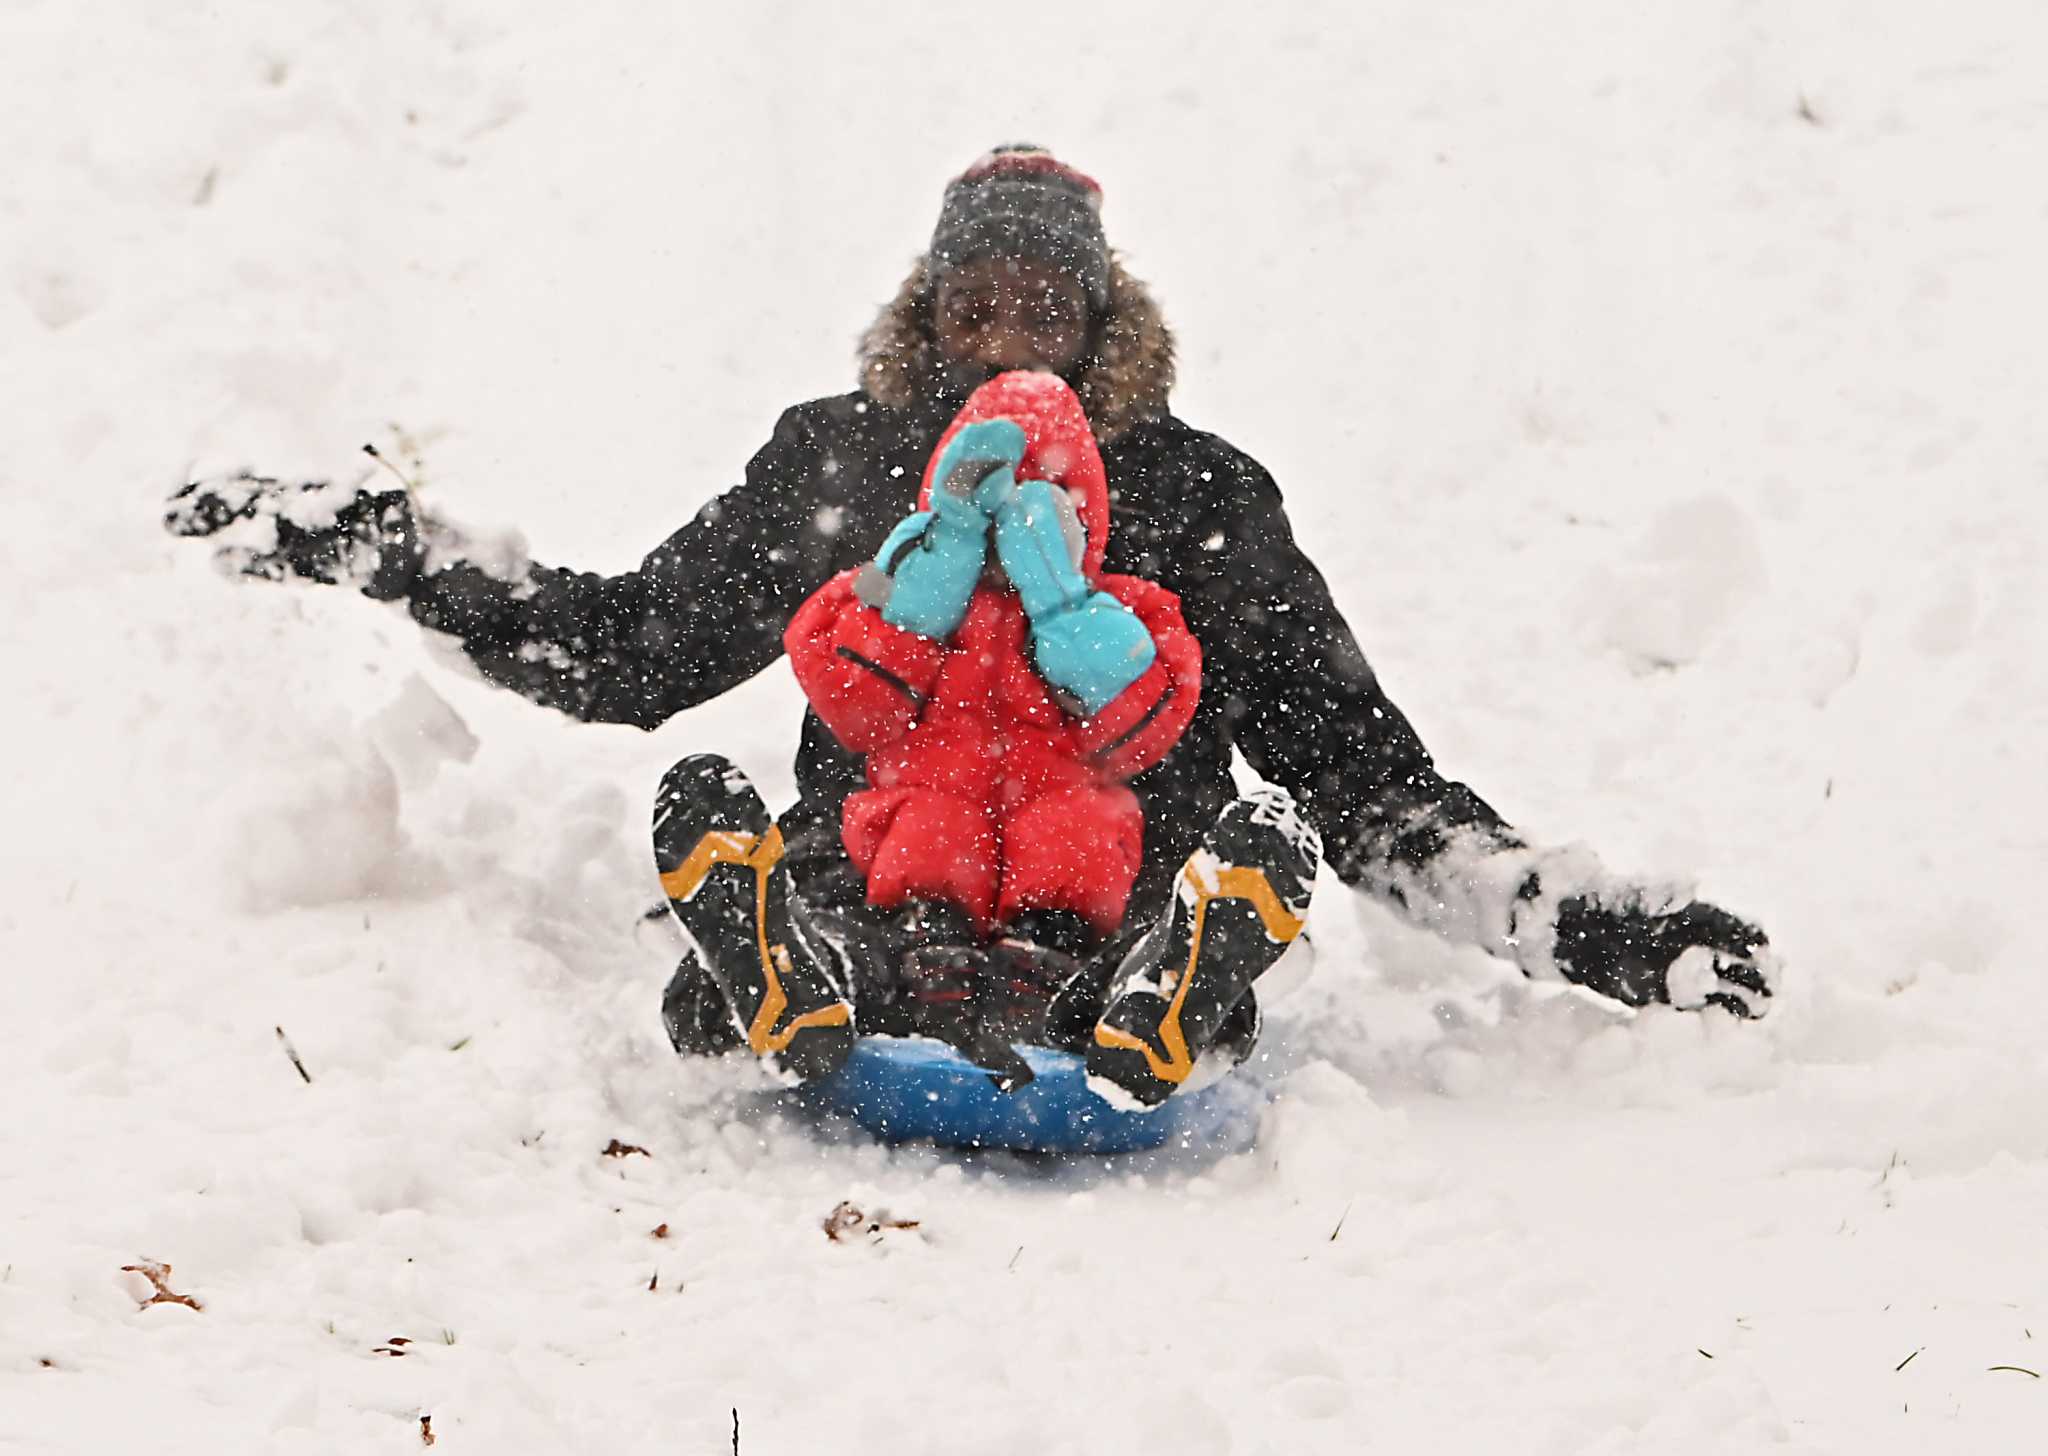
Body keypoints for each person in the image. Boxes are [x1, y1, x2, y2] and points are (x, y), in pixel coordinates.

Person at [166, 143, 1779, 1107]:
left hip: (1118, 900)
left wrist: (1595, 933)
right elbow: (631, 648)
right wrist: (389, 550)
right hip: (883, 881)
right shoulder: (850, 463)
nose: (1004, 330)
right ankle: (786, 955)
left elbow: (1362, 780)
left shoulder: (1197, 496)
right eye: (969, 302)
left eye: (1040, 303)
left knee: (1227, 859)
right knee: (804, 870)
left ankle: (1174, 973)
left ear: (1100, 322)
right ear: (924, 316)